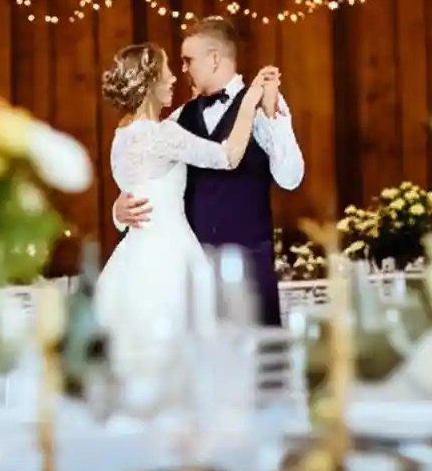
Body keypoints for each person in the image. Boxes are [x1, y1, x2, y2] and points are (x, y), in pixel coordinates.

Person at [112, 17, 304, 326]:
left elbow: (290, 178)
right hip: (190, 274)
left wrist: (272, 116)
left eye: (188, 60)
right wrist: (119, 211)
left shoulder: (264, 106)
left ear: (214, 58)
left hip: (249, 268)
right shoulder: (174, 120)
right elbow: (145, 174)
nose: (182, 70)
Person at [94, 41, 270, 336]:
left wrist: (116, 212)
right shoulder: (163, 135)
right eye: (166, 71)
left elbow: (141, 185)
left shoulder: (122, 135)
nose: (174, 78)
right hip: (171, 257)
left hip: (133, 258)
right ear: (150, 82)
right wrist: (249, 101)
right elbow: (228, 156)